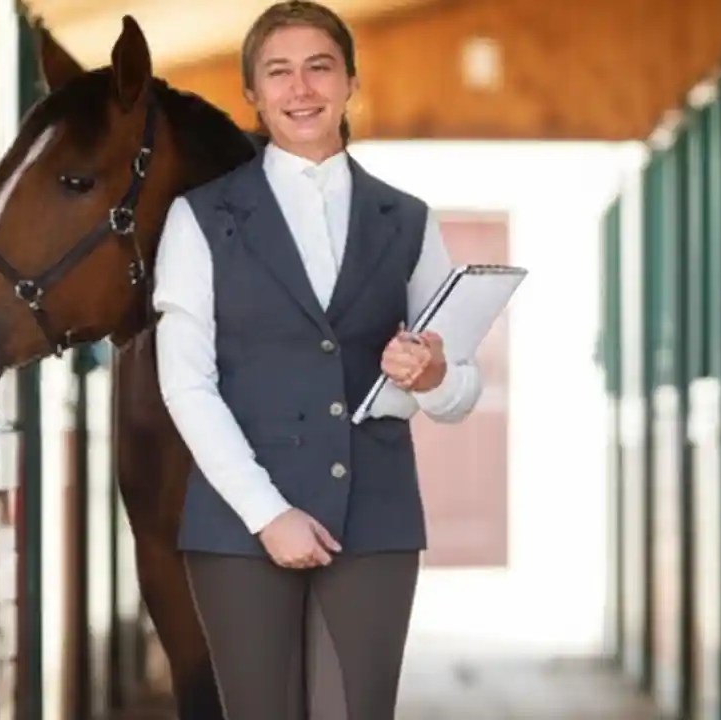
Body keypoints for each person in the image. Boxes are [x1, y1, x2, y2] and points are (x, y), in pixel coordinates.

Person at [152, 1, 482, 717]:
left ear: (350, 82)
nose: (300, 89)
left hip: (377, 517)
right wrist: (268, 513)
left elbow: (458, 387)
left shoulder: (408, 219)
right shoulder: (197, 218)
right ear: (252, 94)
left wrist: (433, 376)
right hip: (239, 525)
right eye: (279, 73)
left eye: (318, 68)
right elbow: (185, 383)